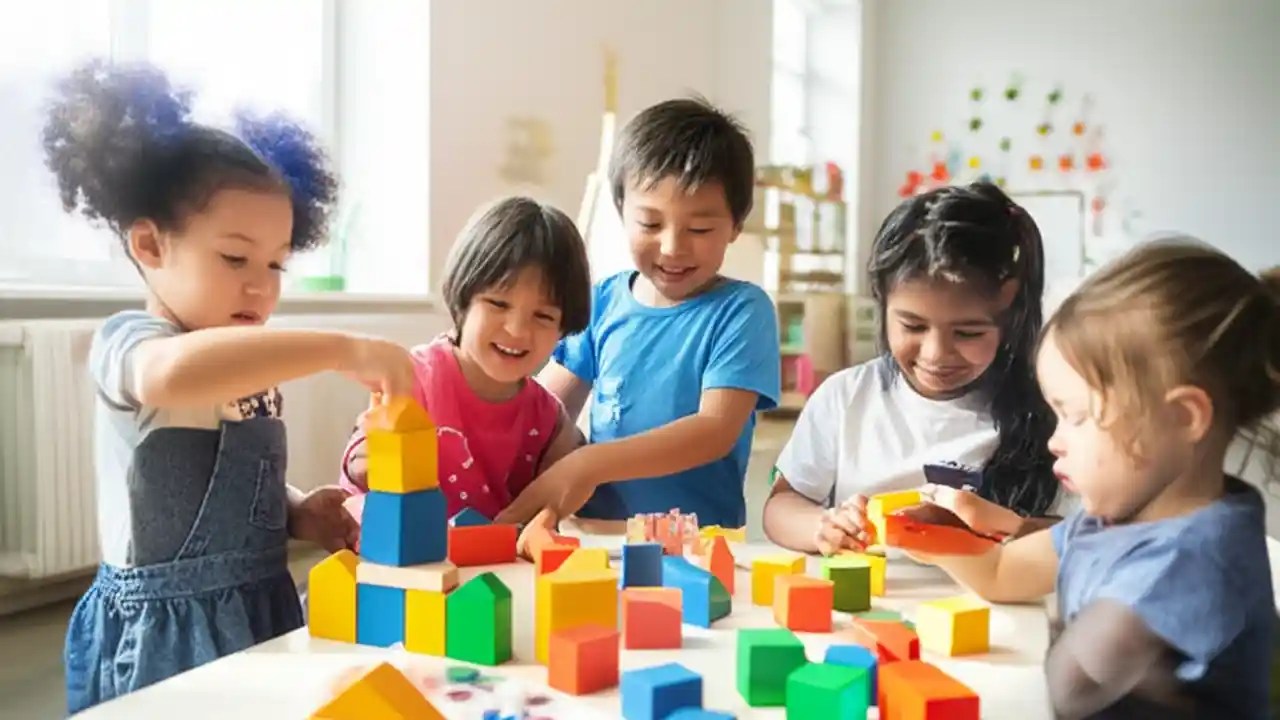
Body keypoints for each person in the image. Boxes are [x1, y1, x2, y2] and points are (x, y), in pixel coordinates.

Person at [48, 61, 416, 713]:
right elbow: (170, 376)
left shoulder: (246, 361)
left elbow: (239, 473)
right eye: (235, 258)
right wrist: (343, 348)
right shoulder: (131, 343)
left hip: (258, 599)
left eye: (276, 263)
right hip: (167, 626)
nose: (262, 285)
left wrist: (296, 507)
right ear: (149, 245)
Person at [919, 239, 1277, 718]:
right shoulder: (1125, 518)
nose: (1055, 440)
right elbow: (1003, 573)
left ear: (1183, 418)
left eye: (1077, 417)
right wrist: (931, 534)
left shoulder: (1194, 561)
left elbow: (1069, 689)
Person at [495, 97, 781, 529]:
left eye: (700, 229)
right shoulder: (603, 301)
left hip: (696, 542)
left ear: (736, 224)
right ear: (622, 213)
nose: (672, 247)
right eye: (649, 224)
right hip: (596, 532)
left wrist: (590, 462)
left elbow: (714, 430)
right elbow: (544, 412)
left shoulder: (742, 312)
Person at [763, 182, 1061, 554]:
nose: (936, 354)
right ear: (883, 307)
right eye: (913, 326)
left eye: (968, 332)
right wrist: (821, 527)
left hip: (984, 606)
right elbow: (782, 504)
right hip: (866, 604)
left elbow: (1081, 536)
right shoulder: (846, 397)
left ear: (1011, 323)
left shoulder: (1048, 413)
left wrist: (999, 525)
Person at [339, 196, 591, 520]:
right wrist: (369, 459)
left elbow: (565, 487)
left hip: (489, 566)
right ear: (464, 298)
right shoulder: (414, 377)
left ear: (563, 327)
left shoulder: (547, 418)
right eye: (498, 304)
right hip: (397, 558)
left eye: (542, 316)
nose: (516, 329)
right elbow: (359, 465)